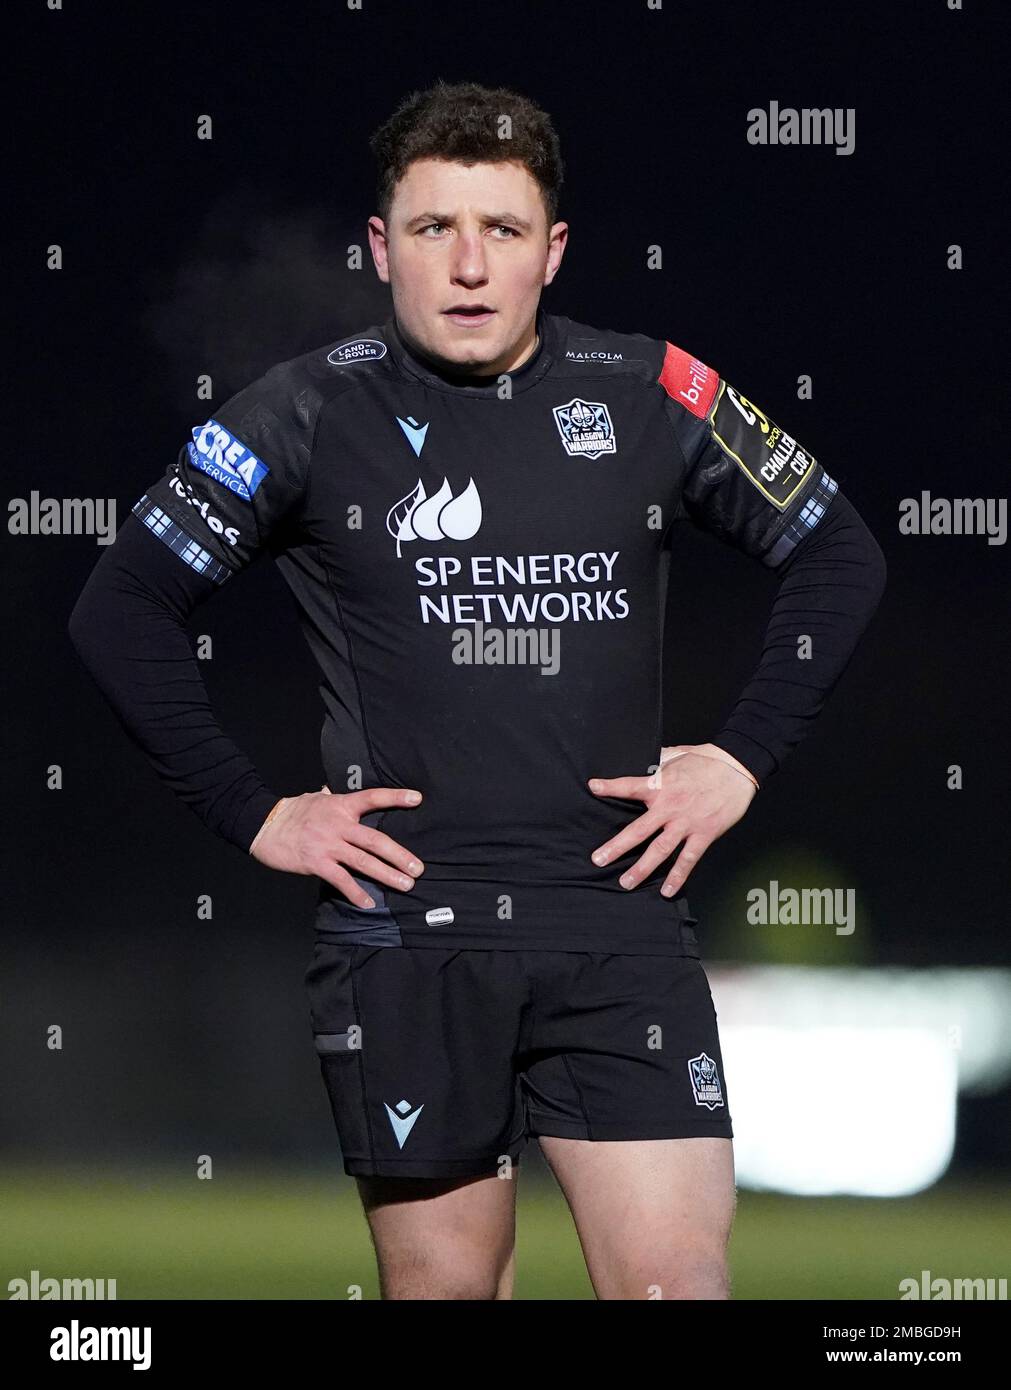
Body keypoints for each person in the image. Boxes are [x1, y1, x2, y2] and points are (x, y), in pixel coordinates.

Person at [68, 79, 886, 1300]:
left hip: (618, 927)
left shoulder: (651, 390)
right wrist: (257, 812)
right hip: (409, 937)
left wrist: (745, 753)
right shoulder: (303, 413)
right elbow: (120, 607)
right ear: (378, 247)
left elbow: (837, 549)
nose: (467, 264)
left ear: (553, 251)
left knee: (678, 1288)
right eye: (434, 228)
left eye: (501, 230)